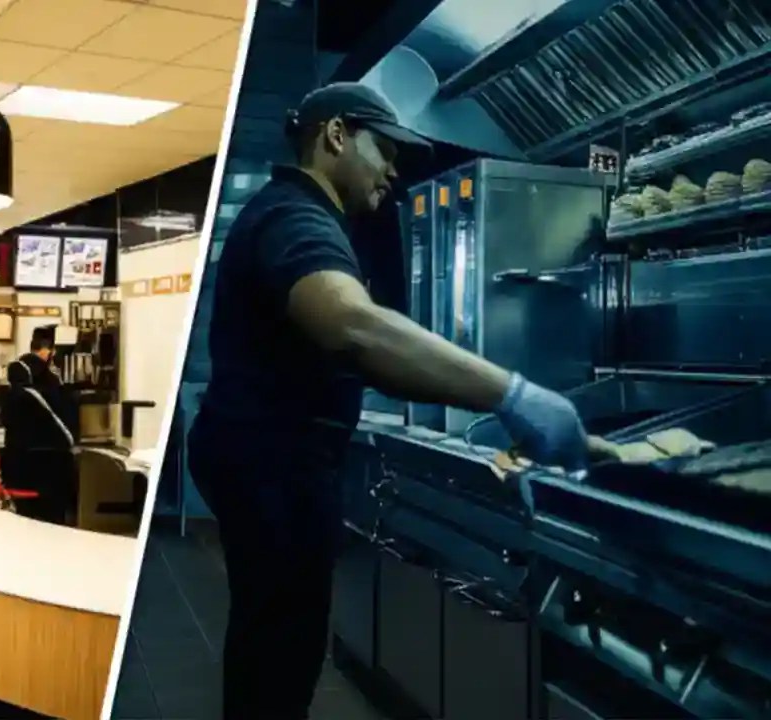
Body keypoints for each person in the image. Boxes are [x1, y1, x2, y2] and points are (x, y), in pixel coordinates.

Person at [188, 82, 591, 719]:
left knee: (274, 644)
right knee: (279, 654)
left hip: (264, 458)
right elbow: (353, 327)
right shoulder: (296, 216)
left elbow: (372, 352)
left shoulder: (300, 214)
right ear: (336, 135)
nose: (393, 170)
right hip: (274, 463)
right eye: (385, 149)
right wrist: (515, 394)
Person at [0, 326, 78, 525]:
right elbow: (65, 419)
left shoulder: (15, 380)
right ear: (48, 351)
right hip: (50, 470)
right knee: (53, 523)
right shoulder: (49, 381)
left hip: (17, 469)